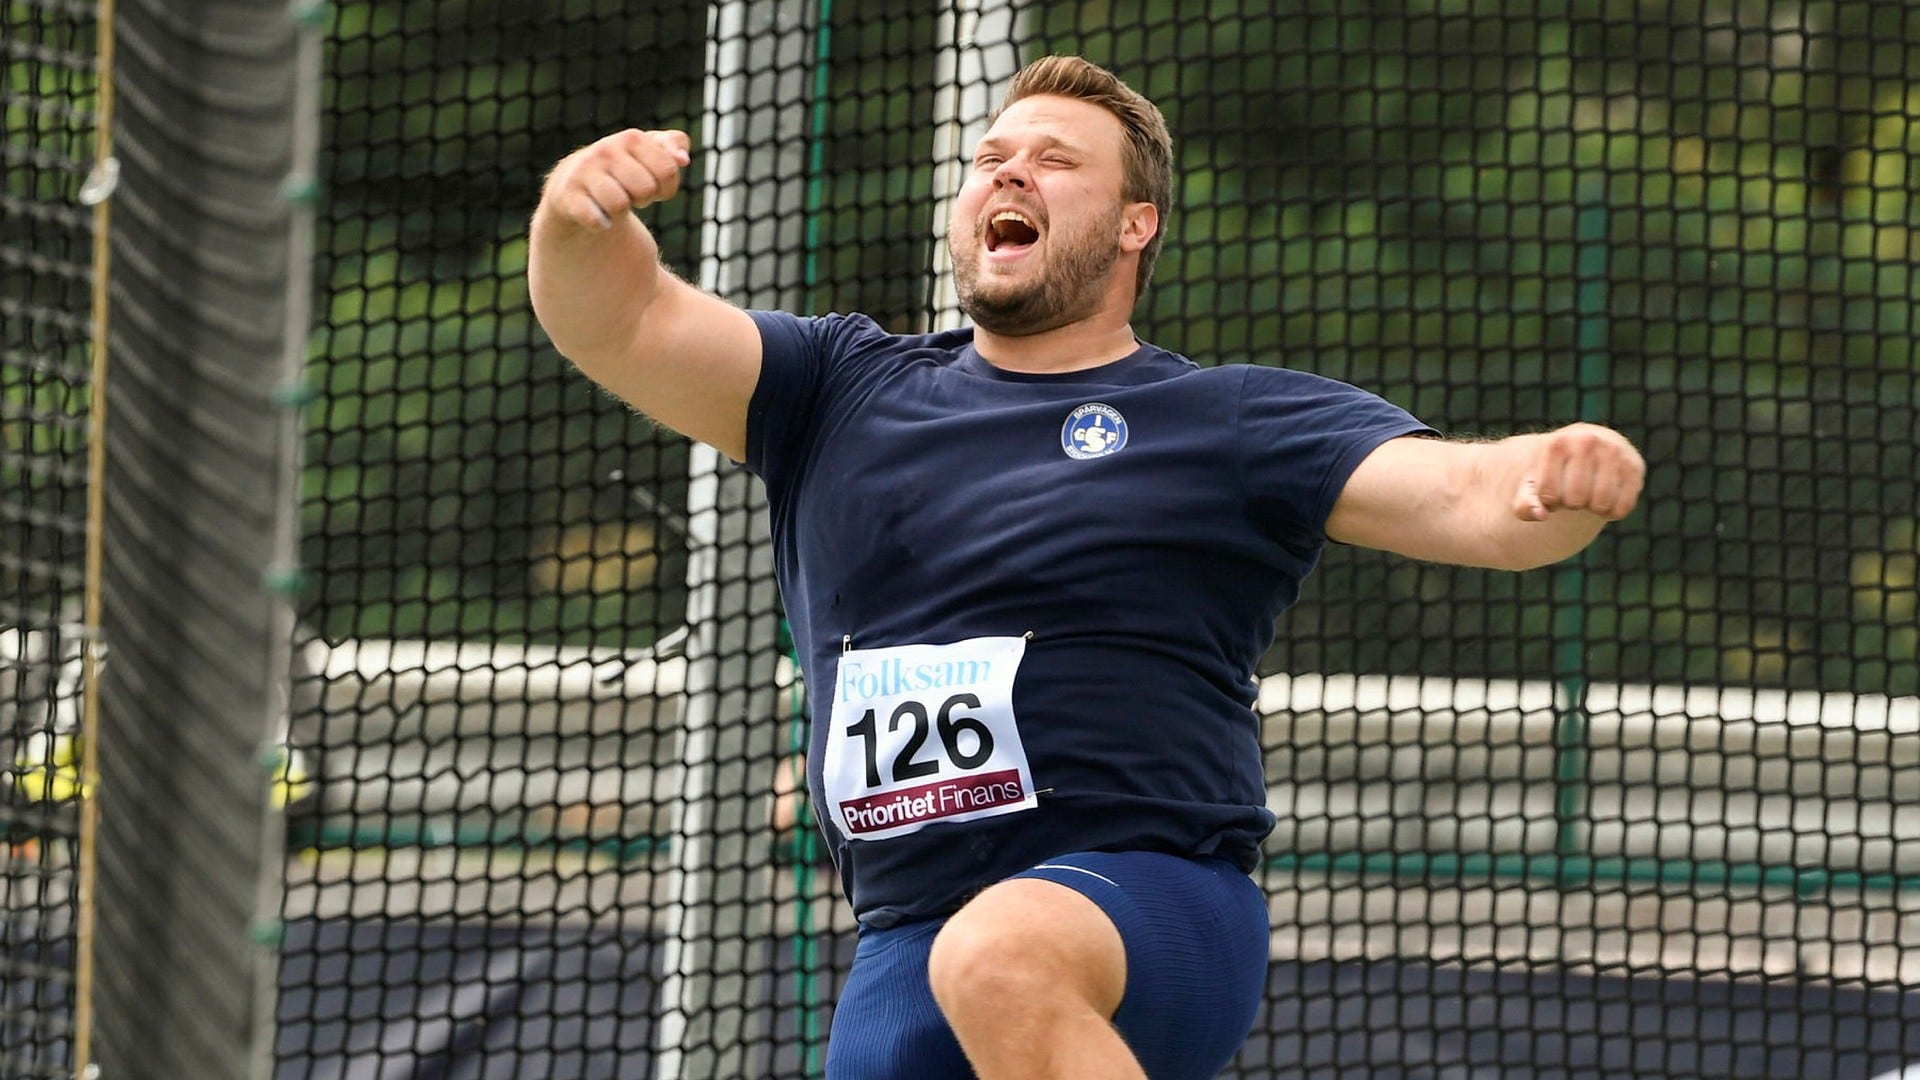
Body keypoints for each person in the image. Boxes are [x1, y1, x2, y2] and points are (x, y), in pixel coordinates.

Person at [529, 55, 1643, 1080]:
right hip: (902, 936)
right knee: (972, 957)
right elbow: (624, 320)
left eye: (1056, 160)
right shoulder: (838, 388)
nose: (1010, 171)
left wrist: (1550, 477)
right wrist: (576, 218)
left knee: (998, 956)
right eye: (992, 158)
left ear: (1133, 225)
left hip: (1139, 899)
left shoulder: (1221, 420)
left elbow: (1468, 497)